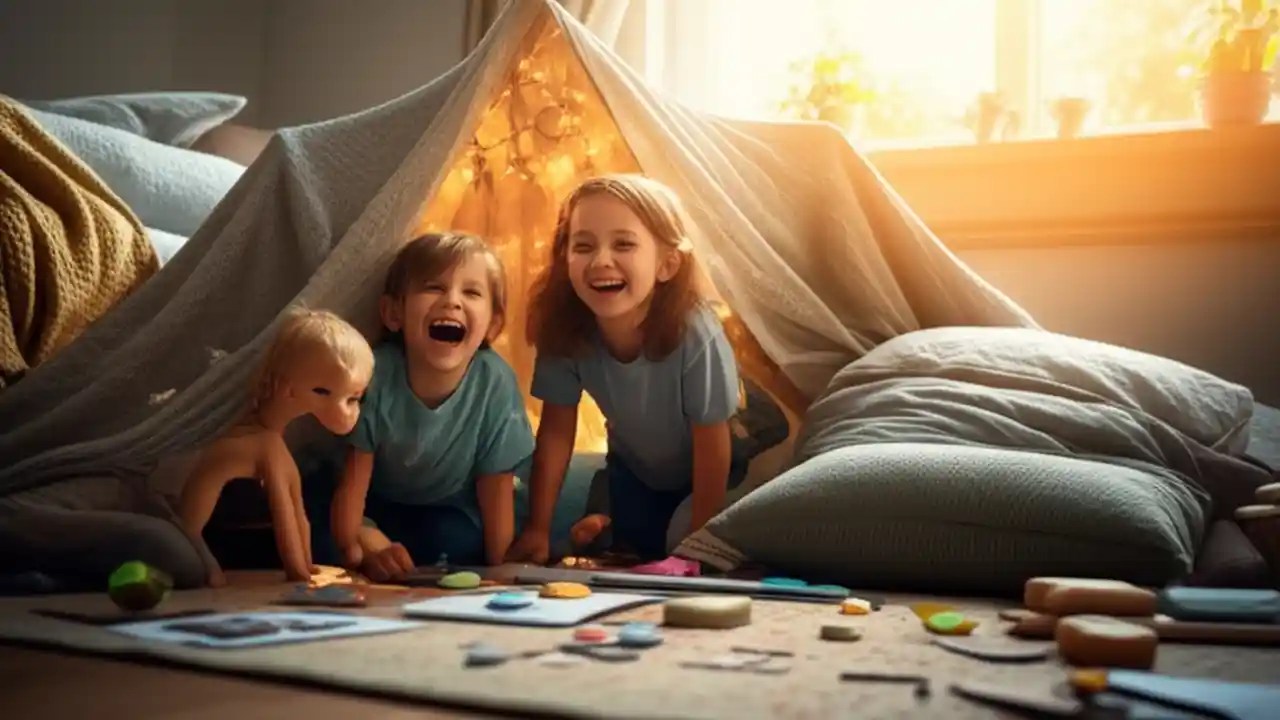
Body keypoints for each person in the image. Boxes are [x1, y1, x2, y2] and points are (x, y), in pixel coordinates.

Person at [506, 174, 748, 564]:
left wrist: (700, 537)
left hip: (717, 468)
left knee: (680, 539)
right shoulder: (567, 329)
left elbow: (712, 442)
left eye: (624, 244)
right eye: (583, 246)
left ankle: (630, 524)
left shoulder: (695, 332)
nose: (601, 260)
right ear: (564, 257)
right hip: (635, 471)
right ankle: (605, 526)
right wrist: (537, 526)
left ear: (667, 264)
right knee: (620, 546)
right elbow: (555, 432)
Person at [307, 232, 533, 582]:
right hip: (373, 502)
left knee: (455, 541)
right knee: (320, 528)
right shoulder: (375, 373)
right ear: (393, 313)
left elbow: (496, 486)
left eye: (471, 292)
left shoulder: (494, 382)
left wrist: (501, 571)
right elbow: (353, 480)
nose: (452, 302)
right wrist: (362, 545)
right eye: (434, 287)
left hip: (446, 508)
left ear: (493, 324)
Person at [178, 308, 374, 586]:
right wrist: (300, 575)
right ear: (292, 391)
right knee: (200, 562)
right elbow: (285, 516)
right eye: (347, 398)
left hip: (209, 537)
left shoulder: (272, 443)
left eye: (356, 398)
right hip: (194, 541)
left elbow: (298, 517)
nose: (351, 412)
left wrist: (308, 566)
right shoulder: (258, 445)